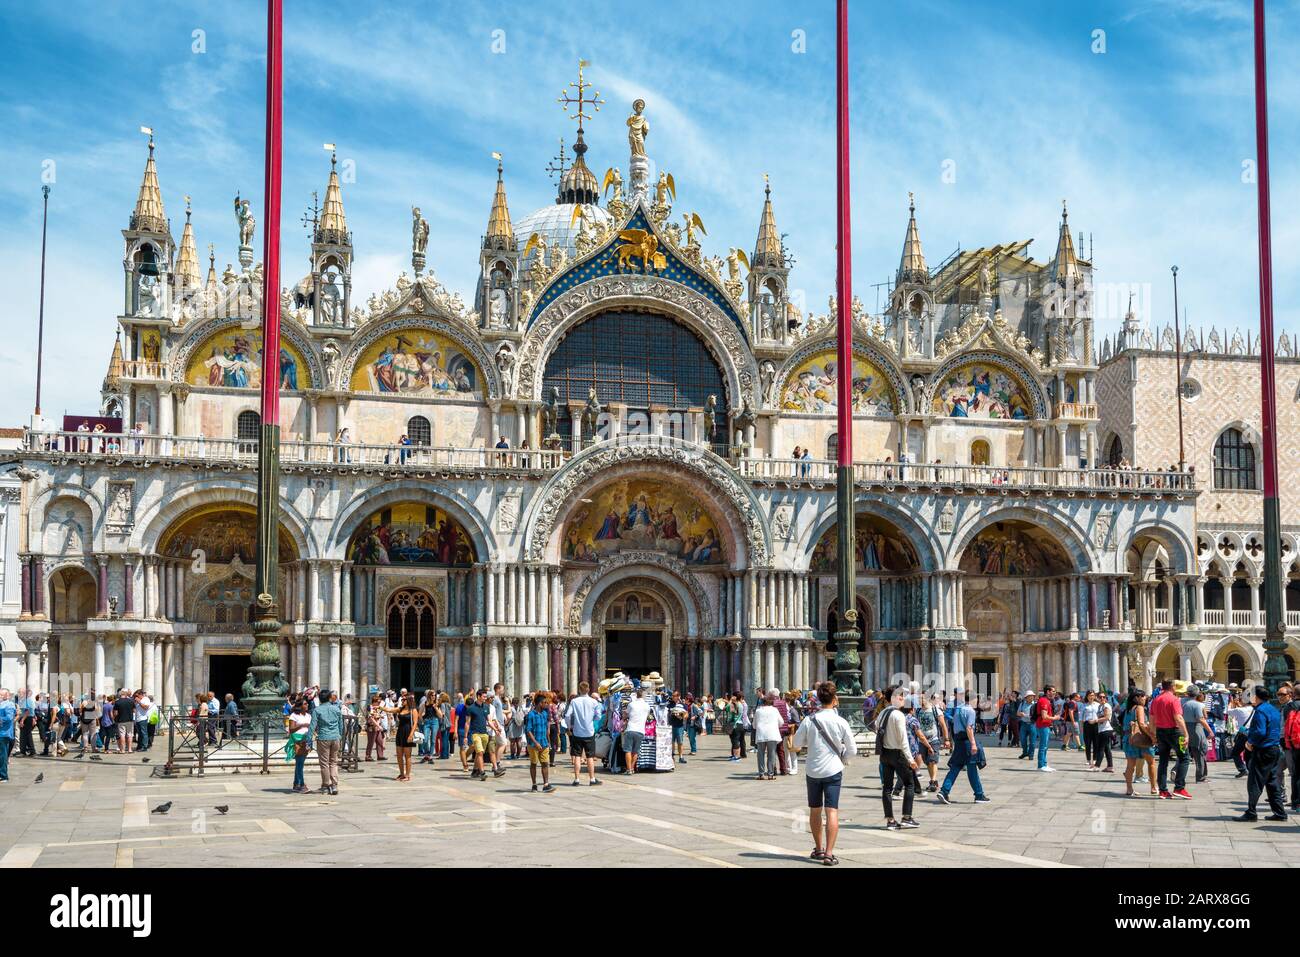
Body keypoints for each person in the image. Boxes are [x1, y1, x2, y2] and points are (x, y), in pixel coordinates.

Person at [794, 682, 855, 865]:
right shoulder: (841, 721)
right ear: (835, 699)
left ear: (819, 699)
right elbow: (852, 749)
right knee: (832, 811)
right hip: (833, 770)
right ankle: (829, 853)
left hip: (813, 770)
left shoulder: (809, 720)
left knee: (815, 810)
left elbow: (797, 743)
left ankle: (818, 848)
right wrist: (843, 757)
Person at [1236, 685, 1287, 822]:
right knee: (1271, 782)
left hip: (1263, 750)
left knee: (1254, 781)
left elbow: (1260, 731)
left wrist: (1250, 742)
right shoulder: (1274, 709)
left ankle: (1251, 812)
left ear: (1256, 697)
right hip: (1274, 749)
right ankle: (1280, 813)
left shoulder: (1260, 711)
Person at [937, 691, 990, 805]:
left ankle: (944, 791)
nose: (977, 702)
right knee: (972, 768)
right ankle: (979, 795)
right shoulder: (970, 711)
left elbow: (954, 727)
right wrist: (973, 744)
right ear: (972, 699)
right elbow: (969, 728)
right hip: (967, 742)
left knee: (956, 767)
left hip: (958, 741)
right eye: (976, 699)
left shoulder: (958, 710)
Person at [876, 687, 919, 829]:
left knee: (887, 788)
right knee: (910, 784)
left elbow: (877, 729)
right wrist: (911, 760)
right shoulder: (899, 715)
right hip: (898, 754)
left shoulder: (882, 713)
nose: (903, 699)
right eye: (901, 696)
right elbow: (903, 740)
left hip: (885, 754)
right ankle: (907, 817)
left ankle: (890, 820)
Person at [1150, 679, 1192, 799]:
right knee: (1184, 757)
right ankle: (1179, 787)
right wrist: (1186, 734)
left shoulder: (1156, 700)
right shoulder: (1174, 699)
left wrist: (1153, 734)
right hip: (1174, 732)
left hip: (1160, 732)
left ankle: (1163, 790)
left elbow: (1152, 718)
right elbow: (1178, 718)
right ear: (1172, 687)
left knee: (1163, 760)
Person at [564, 682, 603, 786]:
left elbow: (567, 715)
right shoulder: (593, 702)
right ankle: (592, 779)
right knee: (590, 756)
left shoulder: (574, 701)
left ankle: (577, 779)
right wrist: (591, 720)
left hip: (577, 731)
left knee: (577, 756)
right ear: (588, 689)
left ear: (579, 690)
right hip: (589, 731)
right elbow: (598, 716)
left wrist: (569, 726)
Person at [1121, 689, 1158, 797]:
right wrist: (1152, 736)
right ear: (1136, 698)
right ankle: (1153, 787)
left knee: (1130, 765)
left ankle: (1129, 789)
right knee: (1151, 763)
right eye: (1143, 696)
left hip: (1129, 739)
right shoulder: (1140, 708)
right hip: (1141, 738)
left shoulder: (1128, 709)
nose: (1145, 698)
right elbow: (1141, 724)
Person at [465, 688, 504, 779]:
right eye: (484, 696)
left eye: (486, 696)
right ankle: (482, 772)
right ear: (478, 696)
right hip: (475, 733)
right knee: (480, 753)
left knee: (480, 753)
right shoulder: (471, 708)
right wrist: (466, 736)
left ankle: (475, 771)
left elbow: (489, 721)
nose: (485, 698)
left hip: (484, 734)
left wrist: (495, 730)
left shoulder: (486, 707)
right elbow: (467, 723)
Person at [310, 689, 343, 794]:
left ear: (319, 699)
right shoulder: (336, 709)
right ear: (330, 698)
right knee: (333, 762)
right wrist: (340, 735)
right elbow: (341, 725)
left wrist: (308, 739)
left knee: (324, 763)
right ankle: (334, 785)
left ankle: (325, 784)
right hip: (335, 737)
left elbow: (312, 726)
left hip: (323, 738)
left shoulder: (317, 710)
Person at [525, 691, 555, 792]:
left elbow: (546, 729)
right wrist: (536, 742)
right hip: (533, 744)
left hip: (544, 743)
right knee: (533, 764)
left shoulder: (545, 713)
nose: (546, 704)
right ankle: (534, 784)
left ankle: (546, 784)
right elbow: (528, 730)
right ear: (540, 703)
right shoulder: (531, 715)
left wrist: (549, 742)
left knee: (545, 763)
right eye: (545, 703)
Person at [1183, 688, 1213, 783]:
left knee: (1183, 753)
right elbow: (1201, 719)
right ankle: (1201, 776)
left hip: (1184, 728)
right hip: (1196, 728)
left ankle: (1175, 771)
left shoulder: (1183, 703)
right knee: (1200, 752)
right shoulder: (1198, 705)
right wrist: (1210, 731)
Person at [1278, 683, 1299, 812]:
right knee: (1278, 770)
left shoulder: (1290, 707)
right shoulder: (1285, 707)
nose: (1280, 697)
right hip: (1286, 743)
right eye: (1278, 694)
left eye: (1282, 694)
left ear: (1291, 695)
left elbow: (1287, 727)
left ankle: (1296, 801)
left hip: (1290, 744)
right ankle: (1282, 795)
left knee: (1294, 773)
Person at [753, 691, 783, 780]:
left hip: (761, 734)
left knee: (760, 754)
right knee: (771, 754)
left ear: (762, 703)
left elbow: (754, 725)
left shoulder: (758, 711)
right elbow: (781, 722)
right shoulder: (775, 710)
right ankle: (770, 774)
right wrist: (774, 725)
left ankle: (761, 774)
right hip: (772, 734)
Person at [622, 687, 651, 775]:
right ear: (643, 696)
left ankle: (628, 769)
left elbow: (625, 715)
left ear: (636, 695)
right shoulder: (647, 706)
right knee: (635, 751)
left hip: (631, 729)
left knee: (628, 750)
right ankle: (632, 768)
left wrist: (624, 715)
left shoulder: (631, 704)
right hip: (640, 730)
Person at [285, 698, 312, 792]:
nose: (307, 705)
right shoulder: (294, 715)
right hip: (297, 740)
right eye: (305, 704)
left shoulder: (308, 715)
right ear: (300, 706)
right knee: (300, 763)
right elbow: (291, 729)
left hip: (306, 739)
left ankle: (296, 783)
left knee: (300, 763)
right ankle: (301, 784)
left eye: (307, 704)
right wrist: (301, 725)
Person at [1090, 691, 1114, 772]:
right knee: (1107, 749)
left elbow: (1107, 717)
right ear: (1097, 698)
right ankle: (1110, 766)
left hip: (1106, 729)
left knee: (1101, 748)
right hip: (1102, 729)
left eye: (1104, 697)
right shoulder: (1100, 706)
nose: (1102, 698)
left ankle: (1097, 766)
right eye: (1100, 697)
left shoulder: (1106, 706)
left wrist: (1095, 721)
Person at [1034, 685, 1055, 771]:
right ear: (1048, 692)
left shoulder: (1046, 701)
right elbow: (1044, 716)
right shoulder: (1044, 701)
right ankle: (1041, 765)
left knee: (1045, 746)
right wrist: (1055, 718)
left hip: (1044, 725)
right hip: (1042, 725)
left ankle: (1044, 764)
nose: (1054, 693)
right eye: (1053, 691)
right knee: (1043, 746)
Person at [419, 690, 440, 764]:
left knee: (433, 740)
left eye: (434, 695)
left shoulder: (436, 704)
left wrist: (436, 708)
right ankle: (427, 754)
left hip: (435, 721)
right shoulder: (424, 704)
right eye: (432, 695)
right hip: (427, 722)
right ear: (429, 696)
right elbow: (420, 714)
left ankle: (430, 756)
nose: (433, 697)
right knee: (425, 740)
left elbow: (440, 715)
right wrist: (422, 720)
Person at [365, 694, 387, 762]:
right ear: (374, 702)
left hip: (377, 727)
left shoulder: (377, 708)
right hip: (371, 727)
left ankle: (380, 755)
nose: (379, 703)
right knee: (371, 742)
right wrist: (378, 725)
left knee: (380, 741)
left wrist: (379, 724)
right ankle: (368, 756)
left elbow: (379, 716)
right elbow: (371, 718)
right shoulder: (369, 707)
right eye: (378, 702)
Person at [1017, 690, 1037, 760]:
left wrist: (1024, 715)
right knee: (1022, 740)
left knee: (1033, 742)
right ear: (1026, 697)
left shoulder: (1035, 705)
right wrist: (1020, 714)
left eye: (1032, 696)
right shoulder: (1022, 704)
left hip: (1032, 724)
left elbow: (1035, 716)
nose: (1031, 698)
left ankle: (1031, 754)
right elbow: (1018, 713)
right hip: (1023, 724)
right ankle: (1025, 752)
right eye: (1029, 696)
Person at [0, 689, 14, 782]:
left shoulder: (9, 704)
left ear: (6, 695)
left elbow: (9, 718)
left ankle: (3, 775)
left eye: (0, 695)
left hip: (4, 733)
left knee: (2, 755)